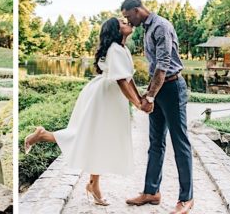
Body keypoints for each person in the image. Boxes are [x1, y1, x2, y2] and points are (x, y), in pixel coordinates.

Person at [24, 17, 145, 206]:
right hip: (105, 98)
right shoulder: (114, 49)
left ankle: (93, 184)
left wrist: (139, 99)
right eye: (122, 22)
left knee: (100, 139)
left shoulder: (123, 49)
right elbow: (122, 81)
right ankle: (43, 135)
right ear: (115, 30)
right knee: (88, 136)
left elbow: (129, 79)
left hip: (112, 98)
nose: (128, 23)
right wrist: (138, 104)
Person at [121, 0, 194, 214]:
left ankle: (186, 198)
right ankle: (151, 191)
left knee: (180, 143)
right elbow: (155, 67)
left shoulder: (161, 26)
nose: (127, 20)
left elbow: (163, 65)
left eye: (127, 16)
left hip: (172, 88)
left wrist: (150, 96)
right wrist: (150, 92)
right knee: (155, 143)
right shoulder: (146, 27)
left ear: (137, 10)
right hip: (159, 87)